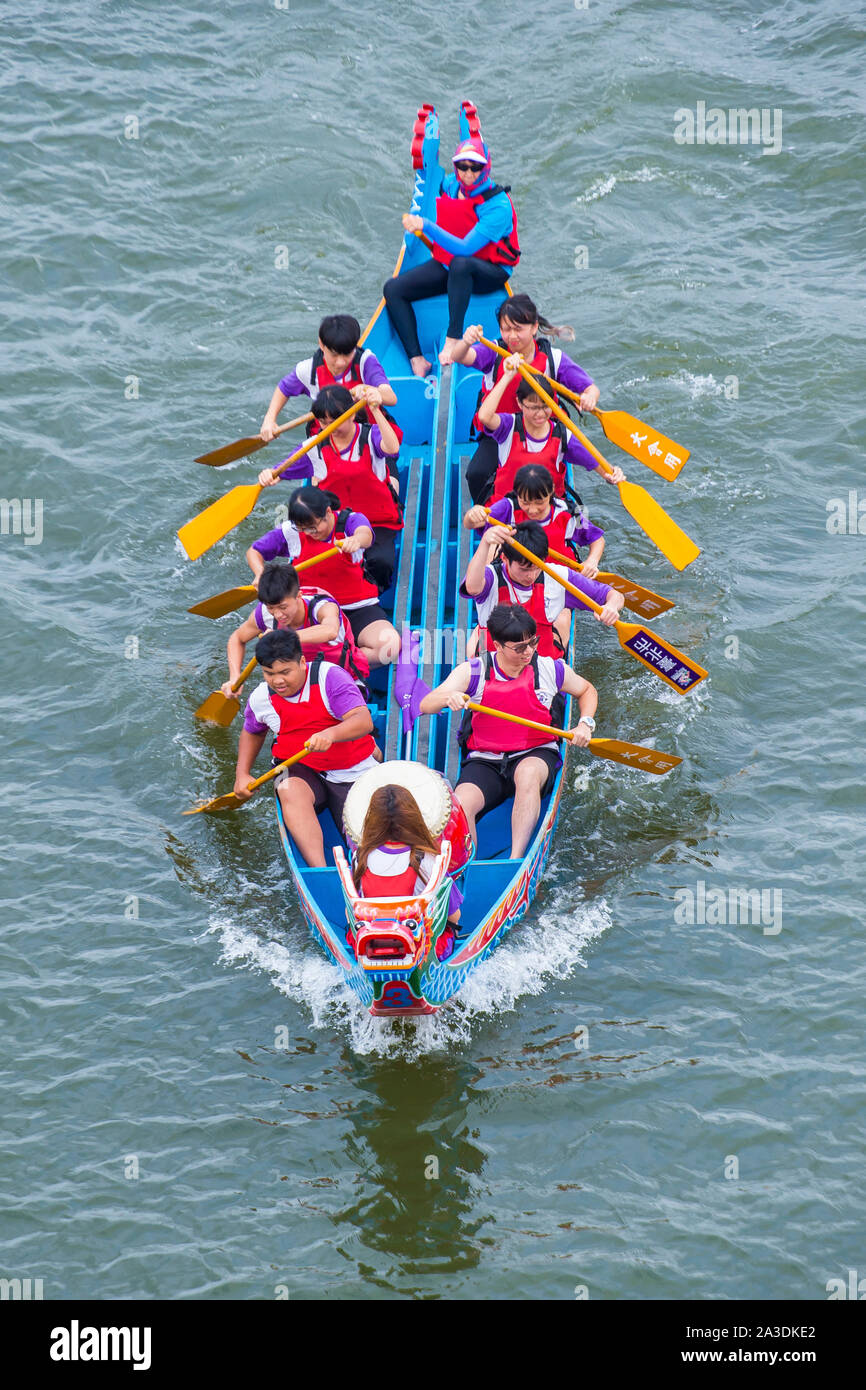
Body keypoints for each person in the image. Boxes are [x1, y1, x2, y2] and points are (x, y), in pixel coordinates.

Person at [420, 603, 599, 859]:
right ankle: (465, 869)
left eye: (533, 642)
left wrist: (585, 723)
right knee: (461, 804)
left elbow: (587, 691)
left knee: (526, 776)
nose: (529, 652)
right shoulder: (474, 671)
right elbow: (426, 704)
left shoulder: (549, 668)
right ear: (498, 645)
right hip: (486, 759)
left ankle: (515, 861)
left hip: (535, 752)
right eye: (519, 647)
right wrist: (451, 697)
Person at [234, 629, 378, 868]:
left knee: (368, 840)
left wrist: (330, 734)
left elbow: (363, 721)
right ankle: (319, 871)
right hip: (298, 767)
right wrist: (242, 774)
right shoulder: (261, 697)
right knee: (287, 788)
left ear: (302, 662)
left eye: (285, 672)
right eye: (269, 673)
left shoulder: (330, 677)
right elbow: (252, 731)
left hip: (349, 768)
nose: (277, 681)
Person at [385, 135, 519, 377]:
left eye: (475, 167)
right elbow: (435, 182)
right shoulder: (451, 184)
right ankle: (417, 360)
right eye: (462, 166)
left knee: (460, 263)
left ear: (486, 168)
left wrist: (425, 225)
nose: (468, 173)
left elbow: (465, 249)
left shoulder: (498, 207)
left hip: (490, 272)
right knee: (393, 289)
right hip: (453, 267)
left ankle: (453, 337)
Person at [450, 294, 602, 503]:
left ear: (533, 327)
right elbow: (459, 357)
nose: (512, 336)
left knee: (540, 480)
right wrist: (465, 342)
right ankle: (487, 515)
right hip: (500, 430)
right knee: (476, 473)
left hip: (541, 429)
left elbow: (590, 389)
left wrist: (588, 398)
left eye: (518, 329)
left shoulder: (553, 359)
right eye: (506, 329)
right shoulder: (493, 351)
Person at [257, 384, 403, 593]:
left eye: (335, 421)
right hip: (333, 524)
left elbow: (392, 447)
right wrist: (268, 475)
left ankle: (368, 597)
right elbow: (279, 472)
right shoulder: (313, 447)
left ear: (352, 414)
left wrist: (375, 409)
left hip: (378, 521)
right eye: (323, 422)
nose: (329, 428)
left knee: (381, 563)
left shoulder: (370, 436)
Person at [245, 487, 400, 668]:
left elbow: (365, 534)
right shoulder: (291, 531)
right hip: (312, 612)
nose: (310, 533)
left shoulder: (350, 521)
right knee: (285, 662)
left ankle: (338, 662)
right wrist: (260, 574)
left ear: (328, 512)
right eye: (303, 529)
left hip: (357, 608)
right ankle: (326, 663)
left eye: (313, 526)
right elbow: (254, 551)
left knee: (390, 647)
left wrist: (356, 540)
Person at [475, 354, 626, 506]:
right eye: (533, 407)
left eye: (545, 406)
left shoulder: (563, 436)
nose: (540, 414)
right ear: (520, 404)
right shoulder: (508, 426)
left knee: (584, 525)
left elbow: (599, 465)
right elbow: (484, 416)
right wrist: (507, 376)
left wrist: (613, 474)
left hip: (545, 513)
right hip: (510, 513)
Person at [461, 520, 624, 657]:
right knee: (476, 639)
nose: (530, 576)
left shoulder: (558, 575)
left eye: (536, 567)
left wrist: (611, 606)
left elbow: (613, 595)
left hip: (539, 662)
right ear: (504, 558)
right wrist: (485, 543)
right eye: (524, 569)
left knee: (564, 614)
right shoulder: (490, 576)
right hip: (494, 661)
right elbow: (472, 587)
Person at [220, 561, 370, 703]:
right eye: (271, 608)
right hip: (296, 684)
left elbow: (330, 631)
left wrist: (282, 637)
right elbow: (237, 639)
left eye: (283, 607)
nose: (278, 614)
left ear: (299, 595)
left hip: (342, 678)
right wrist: (234, 676)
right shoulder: (264, 613)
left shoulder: (322, 607)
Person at [352, 785, 462, 953]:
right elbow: (454, 915)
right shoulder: (429, 860)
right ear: (414, 818)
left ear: (371, 820)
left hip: (370, 946)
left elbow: (350, 912)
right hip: (419, 948)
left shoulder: (360, 857)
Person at [259, 313, 397, 441]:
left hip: (367, 436)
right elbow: (284, 389)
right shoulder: (308, 370)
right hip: (331, 440)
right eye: (335, 355)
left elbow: (390, 397)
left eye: (347, 354)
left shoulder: (365, 362)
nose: (341, 362)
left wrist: (369, 390)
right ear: (321, 344)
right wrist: (270, 419)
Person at [463, 463, 607, 578]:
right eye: (525, 502)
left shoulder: (571, 511)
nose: (532, 510)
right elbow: (470, 524)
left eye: (539, 502)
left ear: (551, 491)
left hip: (557, 576)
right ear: (517, 494)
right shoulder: (508, 505)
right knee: (493, 541)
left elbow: (597, 539)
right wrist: (472, 514)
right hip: (519, 574)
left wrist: (591, 562)